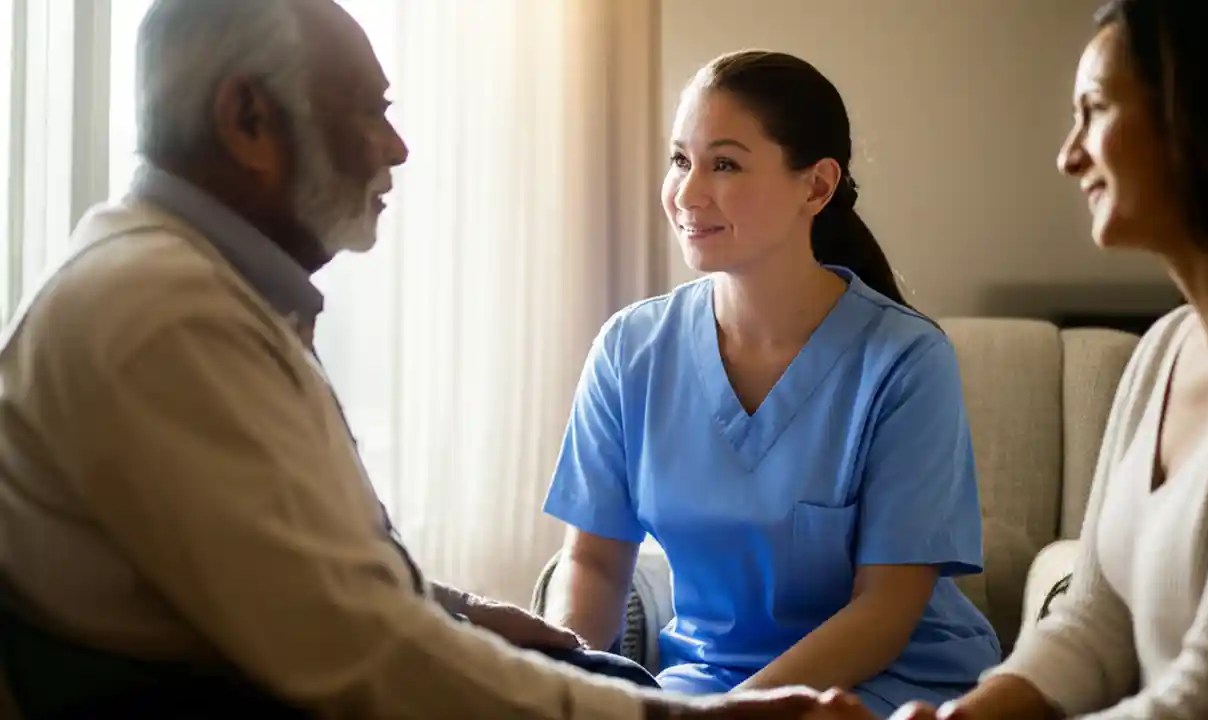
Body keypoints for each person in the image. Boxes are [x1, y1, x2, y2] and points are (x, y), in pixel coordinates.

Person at [0, 1, 876, 718]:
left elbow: (298, 573)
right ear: (248, 119)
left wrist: (450, 606)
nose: (397, 147)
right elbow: (357, 651)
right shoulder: (164, 316)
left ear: (817, 187)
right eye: (371, 110)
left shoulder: (197, 292)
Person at [542, 50, 1001, 719]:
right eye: (679, 159)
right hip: (705, 688)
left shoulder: (906, 361)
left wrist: (740, 713)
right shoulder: (629, 351)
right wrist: (564, 688)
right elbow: (594, 563)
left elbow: (886, 609)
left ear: (815, 187)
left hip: (894, 684)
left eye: (723, 163)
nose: (688, 193)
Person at [892, 2, 1208, 719]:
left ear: (1197, 117)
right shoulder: (1162, 349)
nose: (1069, 155)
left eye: (1095, 110)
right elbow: (1091, 624)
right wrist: (967, 716)